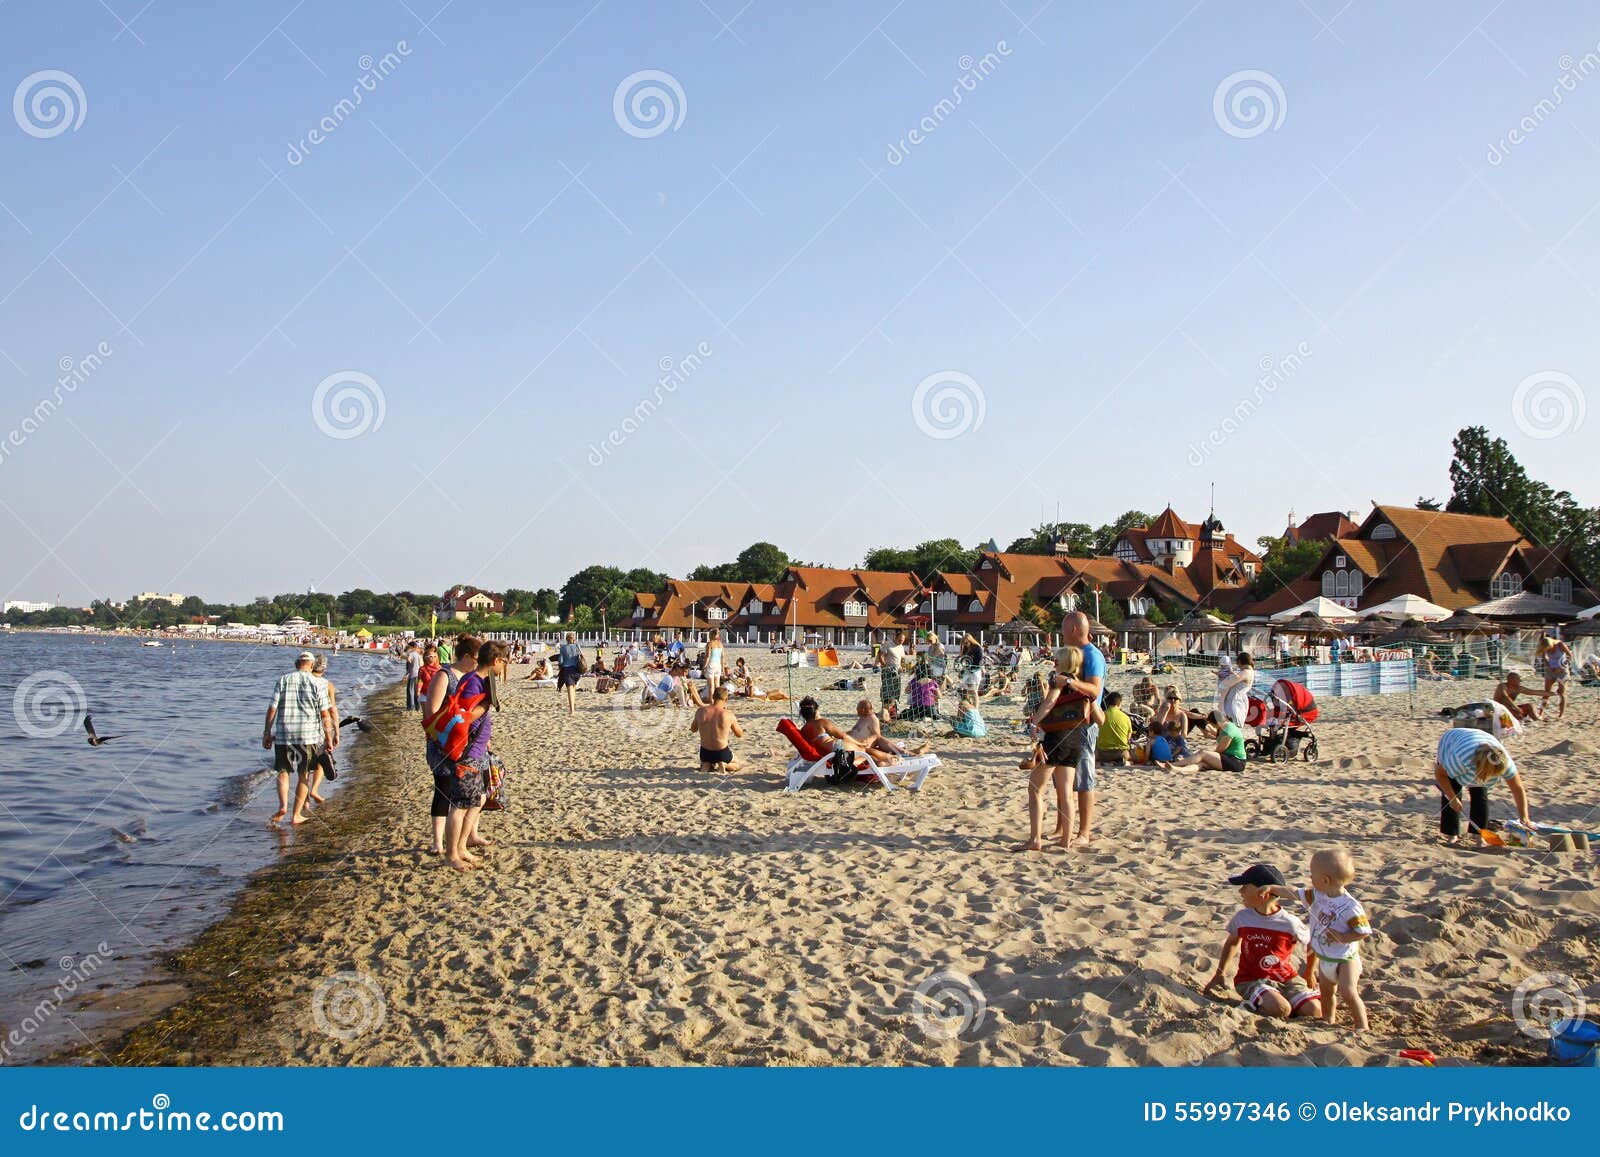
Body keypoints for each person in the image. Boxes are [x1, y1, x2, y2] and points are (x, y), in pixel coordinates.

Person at [1022, 613, 1106, 851]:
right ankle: (1063, 832)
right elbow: (1098, 710)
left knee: (1081, 780)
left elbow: (1094, 689)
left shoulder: (1091, 656)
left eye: (1062, 628)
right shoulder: (1078, 658)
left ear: (1073, 629)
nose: (1060, 633)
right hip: (1073, 730)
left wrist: (1067, 683)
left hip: (1077, 729)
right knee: (1065, 787)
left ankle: (1083, 832)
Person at [1265, 849, 1372, 1031]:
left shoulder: (1350, 906)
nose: (1309, 876)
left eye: (1312, 873)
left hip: (1346, 959)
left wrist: (1344, 937)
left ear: (1325, 880)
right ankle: (1328, 1019)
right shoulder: (1316, 895)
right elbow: (1293, 893)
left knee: (1348, 992)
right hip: (1325, 956)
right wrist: (1273, 889)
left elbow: (1363, 931)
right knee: (1327, 992)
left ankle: (1362, 1025)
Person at [1203, 863, 1322, 1021]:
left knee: (1314, 1011)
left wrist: (1309, 972)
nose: (1240, 891)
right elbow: (1232, 943)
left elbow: (1312, 943)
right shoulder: (1242, 918)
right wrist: (1220, 973)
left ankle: (1281, 1000)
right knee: (1281, 1009)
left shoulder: (1289, 922)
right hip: (1251, 979)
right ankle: (1264, 1004)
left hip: (1286, 978)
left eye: (1245, 887)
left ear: (1263, 894)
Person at [439, 641, 501, 871]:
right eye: (503, 661)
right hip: (467, 752)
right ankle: (452, 854)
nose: (504, 666)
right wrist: (487, 702)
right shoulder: (473, 682)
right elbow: (465, 717)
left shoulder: (477, 680)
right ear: (495, 661)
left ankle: (462, 847)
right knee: (461, 805)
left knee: (477, 799)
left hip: (477, 750)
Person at [423, 634, 481, 858]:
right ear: (466, 656)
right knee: (443, 789)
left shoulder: (472, 677)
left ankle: (469, 837)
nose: (478, 662)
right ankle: (438, 842)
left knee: (470, 792)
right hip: (442, 743)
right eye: (476, 657)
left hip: (467, 744)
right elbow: (431, 713)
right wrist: (445, 737)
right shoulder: (444, 675)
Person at [261, 651, 334, 826]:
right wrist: (329, 737)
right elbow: (325, 713)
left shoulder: (283, 680)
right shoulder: (317, 683)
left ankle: (283, 806)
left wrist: (267, 732)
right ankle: (296, 815)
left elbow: (272, 708)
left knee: (283, 772)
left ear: (296, 664)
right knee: (304, 775)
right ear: (311, 665)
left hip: (283, 735)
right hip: (307, 735)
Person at [1434, 725, 1532, 845]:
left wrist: (1524, 817)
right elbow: (1440, 775)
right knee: (1452, 789)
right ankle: (1451, 833)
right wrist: (1453, 798)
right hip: (1452, 741)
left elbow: (1518, 789)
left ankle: (1479, 834)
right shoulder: (1462, 759)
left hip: (1480, 739)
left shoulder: (1505, 763)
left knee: (1480, 793)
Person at [850, 698, 929, 763]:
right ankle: (913, 751)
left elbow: (877, 737)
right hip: (856, 746)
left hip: (862, 747)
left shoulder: (871, 718)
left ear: (863, 709)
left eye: (858, 708)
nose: (856, 710)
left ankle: (906, 753)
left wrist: (864, 742)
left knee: (879, 744)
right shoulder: (863, 718)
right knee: (879, 752)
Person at [307, 652, 339, 804]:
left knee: (305, 764)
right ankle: (314, 790)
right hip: (321, 727)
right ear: (324, 668)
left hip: (305, 727)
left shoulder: (304, 681)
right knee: (321, 760)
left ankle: (304, 799)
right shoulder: (327, 684)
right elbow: (332, 709)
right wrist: (336, 732)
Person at [689, 685, 744, 772]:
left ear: (713, 697)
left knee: (706, 762)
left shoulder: (700, 711)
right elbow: (739, 734)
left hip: (705, 753)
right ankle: (724, 764)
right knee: (738, 765)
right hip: (722, 752)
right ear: (726, 700)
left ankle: (706, 765)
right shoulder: (728, 714)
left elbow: (693, 729)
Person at [1177, 709, 1248, 773]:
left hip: (1236, 762)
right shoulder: (1224, 727)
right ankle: (1178, 769)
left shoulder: (1228, 732)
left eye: (1213, 725)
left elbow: (1220, 750)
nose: (1213, 727)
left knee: (1202, 753)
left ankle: (1175, 764)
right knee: (1201, 764)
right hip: (1228, 758)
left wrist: (1206, 755)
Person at [1535, 636, 1574, 719]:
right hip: (1551, 670)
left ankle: (1561, 714)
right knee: (1546, 692)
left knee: (1562, 693)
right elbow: (1544, 658)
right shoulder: (1545, 646)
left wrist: (1561, 667)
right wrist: (1548, 666)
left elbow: (1570, 656)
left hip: (1562, 671)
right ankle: (1540, 713)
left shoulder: (1560, 645)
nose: (1548, 650)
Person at [1217, 651, 1255, 726]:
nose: (1237, 665)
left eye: (1237, 663)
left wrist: (1221, 701)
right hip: (1238, 699)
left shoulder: (1245, 672)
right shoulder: (1250, 671)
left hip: (1234, 701)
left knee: (1230, 725)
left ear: (1240, 662)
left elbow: (1227, 684)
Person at [1095, 690, 1132, 765]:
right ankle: (1124, 762)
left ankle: (1107, 762)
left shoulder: (1101, 715)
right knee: (1130, 754)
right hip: (1120, 753)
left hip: (1102, 754)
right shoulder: (1126, 717)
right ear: (1119, 703)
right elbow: (1128, 737)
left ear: (1108, 703)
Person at [556, 631, 585, 715]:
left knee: (569, 690)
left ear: (566, 639)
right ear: (574, 639)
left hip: (567, 670)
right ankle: (573, 708)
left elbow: (561, 661)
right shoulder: (577, 646)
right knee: (573, 689)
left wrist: (560, 663)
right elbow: (581, 656)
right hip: (577, 670)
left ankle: (572, 710)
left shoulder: (563, 648)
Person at [404, 641, 423, 711]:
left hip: (413, 674)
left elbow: (409, 659)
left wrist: (410, 664)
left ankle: (410, 706)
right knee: (416, 691)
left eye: (409, 647)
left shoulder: (411, 654)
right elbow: (421, 664)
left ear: (412, 647)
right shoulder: (418, 654)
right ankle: (417, 706)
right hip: (418, 673)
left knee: (410, 690)